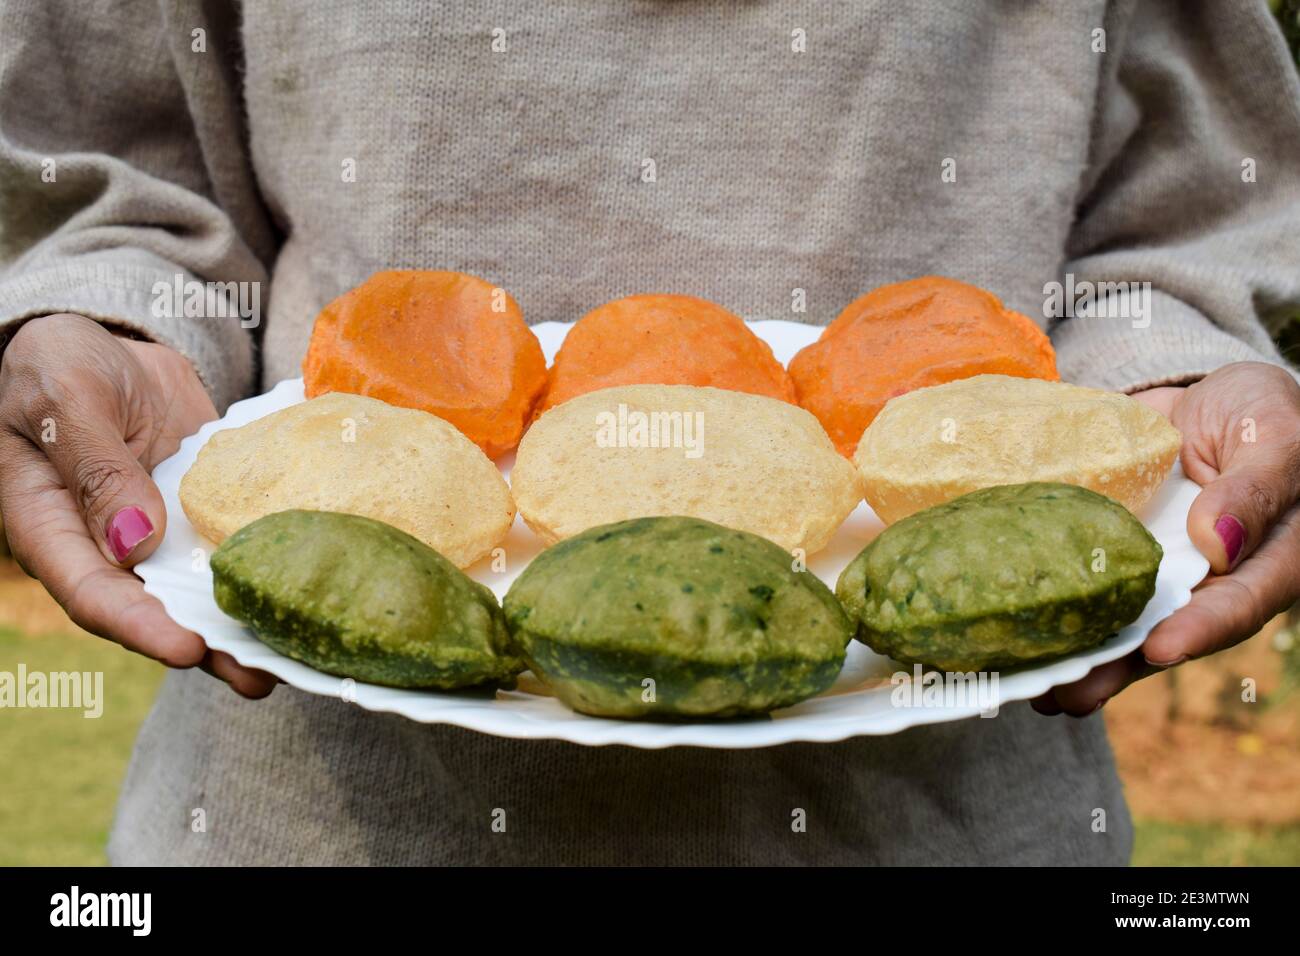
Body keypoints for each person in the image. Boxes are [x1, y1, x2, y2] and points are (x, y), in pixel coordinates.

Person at [1, 0, 1297, 865]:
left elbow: (1183, 216)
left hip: (956, 818)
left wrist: (1169, 385)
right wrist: (108, 329)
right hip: (313, 822)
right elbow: (106, 168)